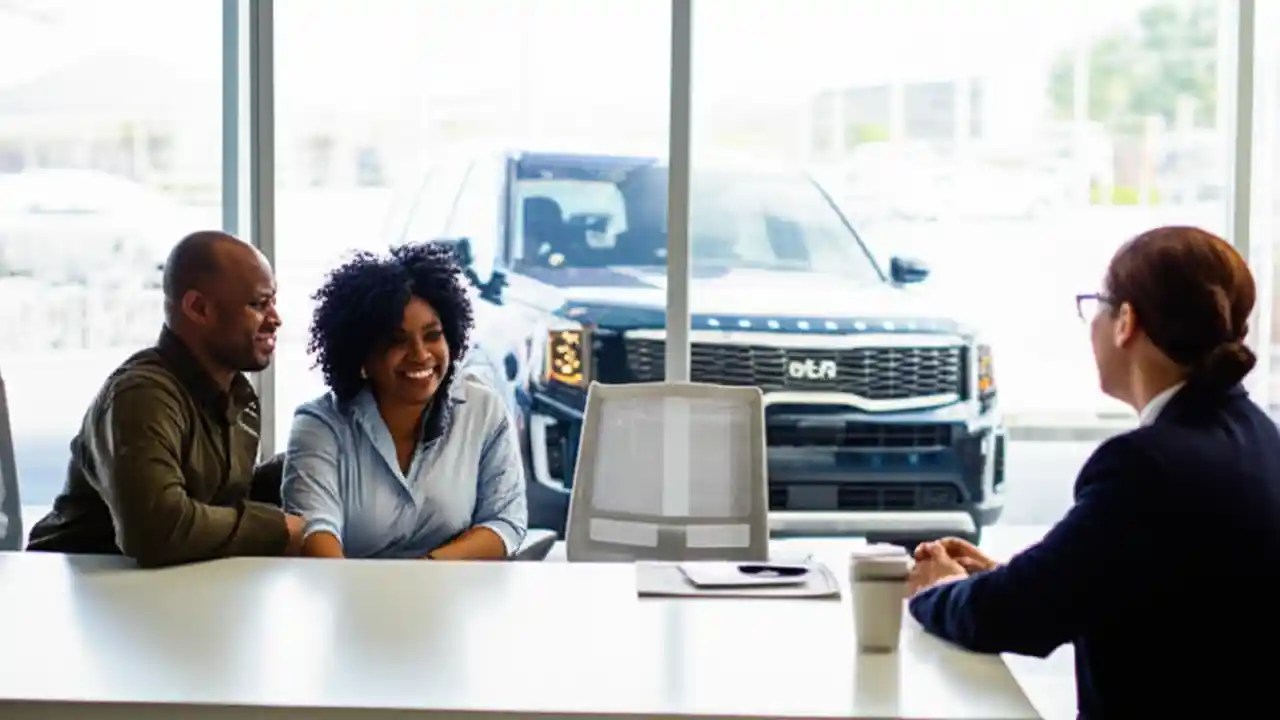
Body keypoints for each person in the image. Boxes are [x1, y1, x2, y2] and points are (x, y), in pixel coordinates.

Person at [907, 226, 1280, 718]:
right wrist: (1010, 576)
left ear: (1126, 321)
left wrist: (936, 589)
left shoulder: (1146, 465)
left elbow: (1015, 617)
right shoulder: (1260, 436)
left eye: (1097, 305)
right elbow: (1161, 595)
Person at [26, 231, 305, 566]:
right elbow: (158, 529)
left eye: (272, 302)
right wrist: (278, 529)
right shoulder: (140, 396)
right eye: (258, 304)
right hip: (69, 591)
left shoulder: (238, 397)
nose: (275, 319)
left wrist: (315, 461)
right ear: (198, 308)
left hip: (163, 595)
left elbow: (218, 503)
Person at [282, 243, 527, 560]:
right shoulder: (320, 425)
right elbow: (314, 533)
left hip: (452, 595)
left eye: (432, 335)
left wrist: (424, 572)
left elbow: (504, 521)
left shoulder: (481, 408)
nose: (420, 354)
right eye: (396, 341)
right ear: (362, 355)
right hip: (353, 598)